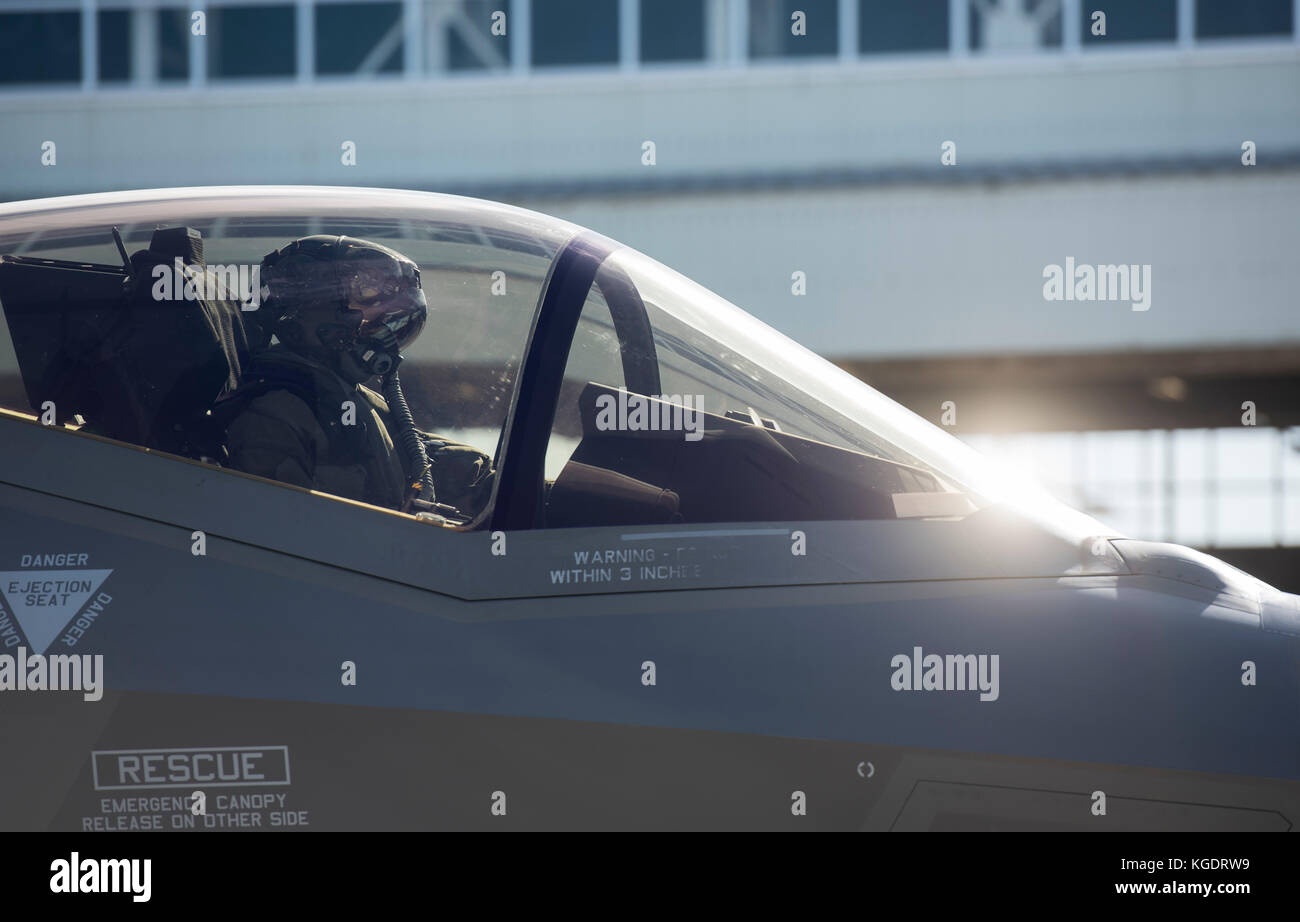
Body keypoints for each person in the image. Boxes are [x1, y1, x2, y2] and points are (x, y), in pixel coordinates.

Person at [220, 235, 493, 517]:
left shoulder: (358, 400)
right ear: (310, 310)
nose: (376, 330)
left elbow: (430, 461)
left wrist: (516, 492)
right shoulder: (274, 414)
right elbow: (280, 534)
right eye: (360, 304)